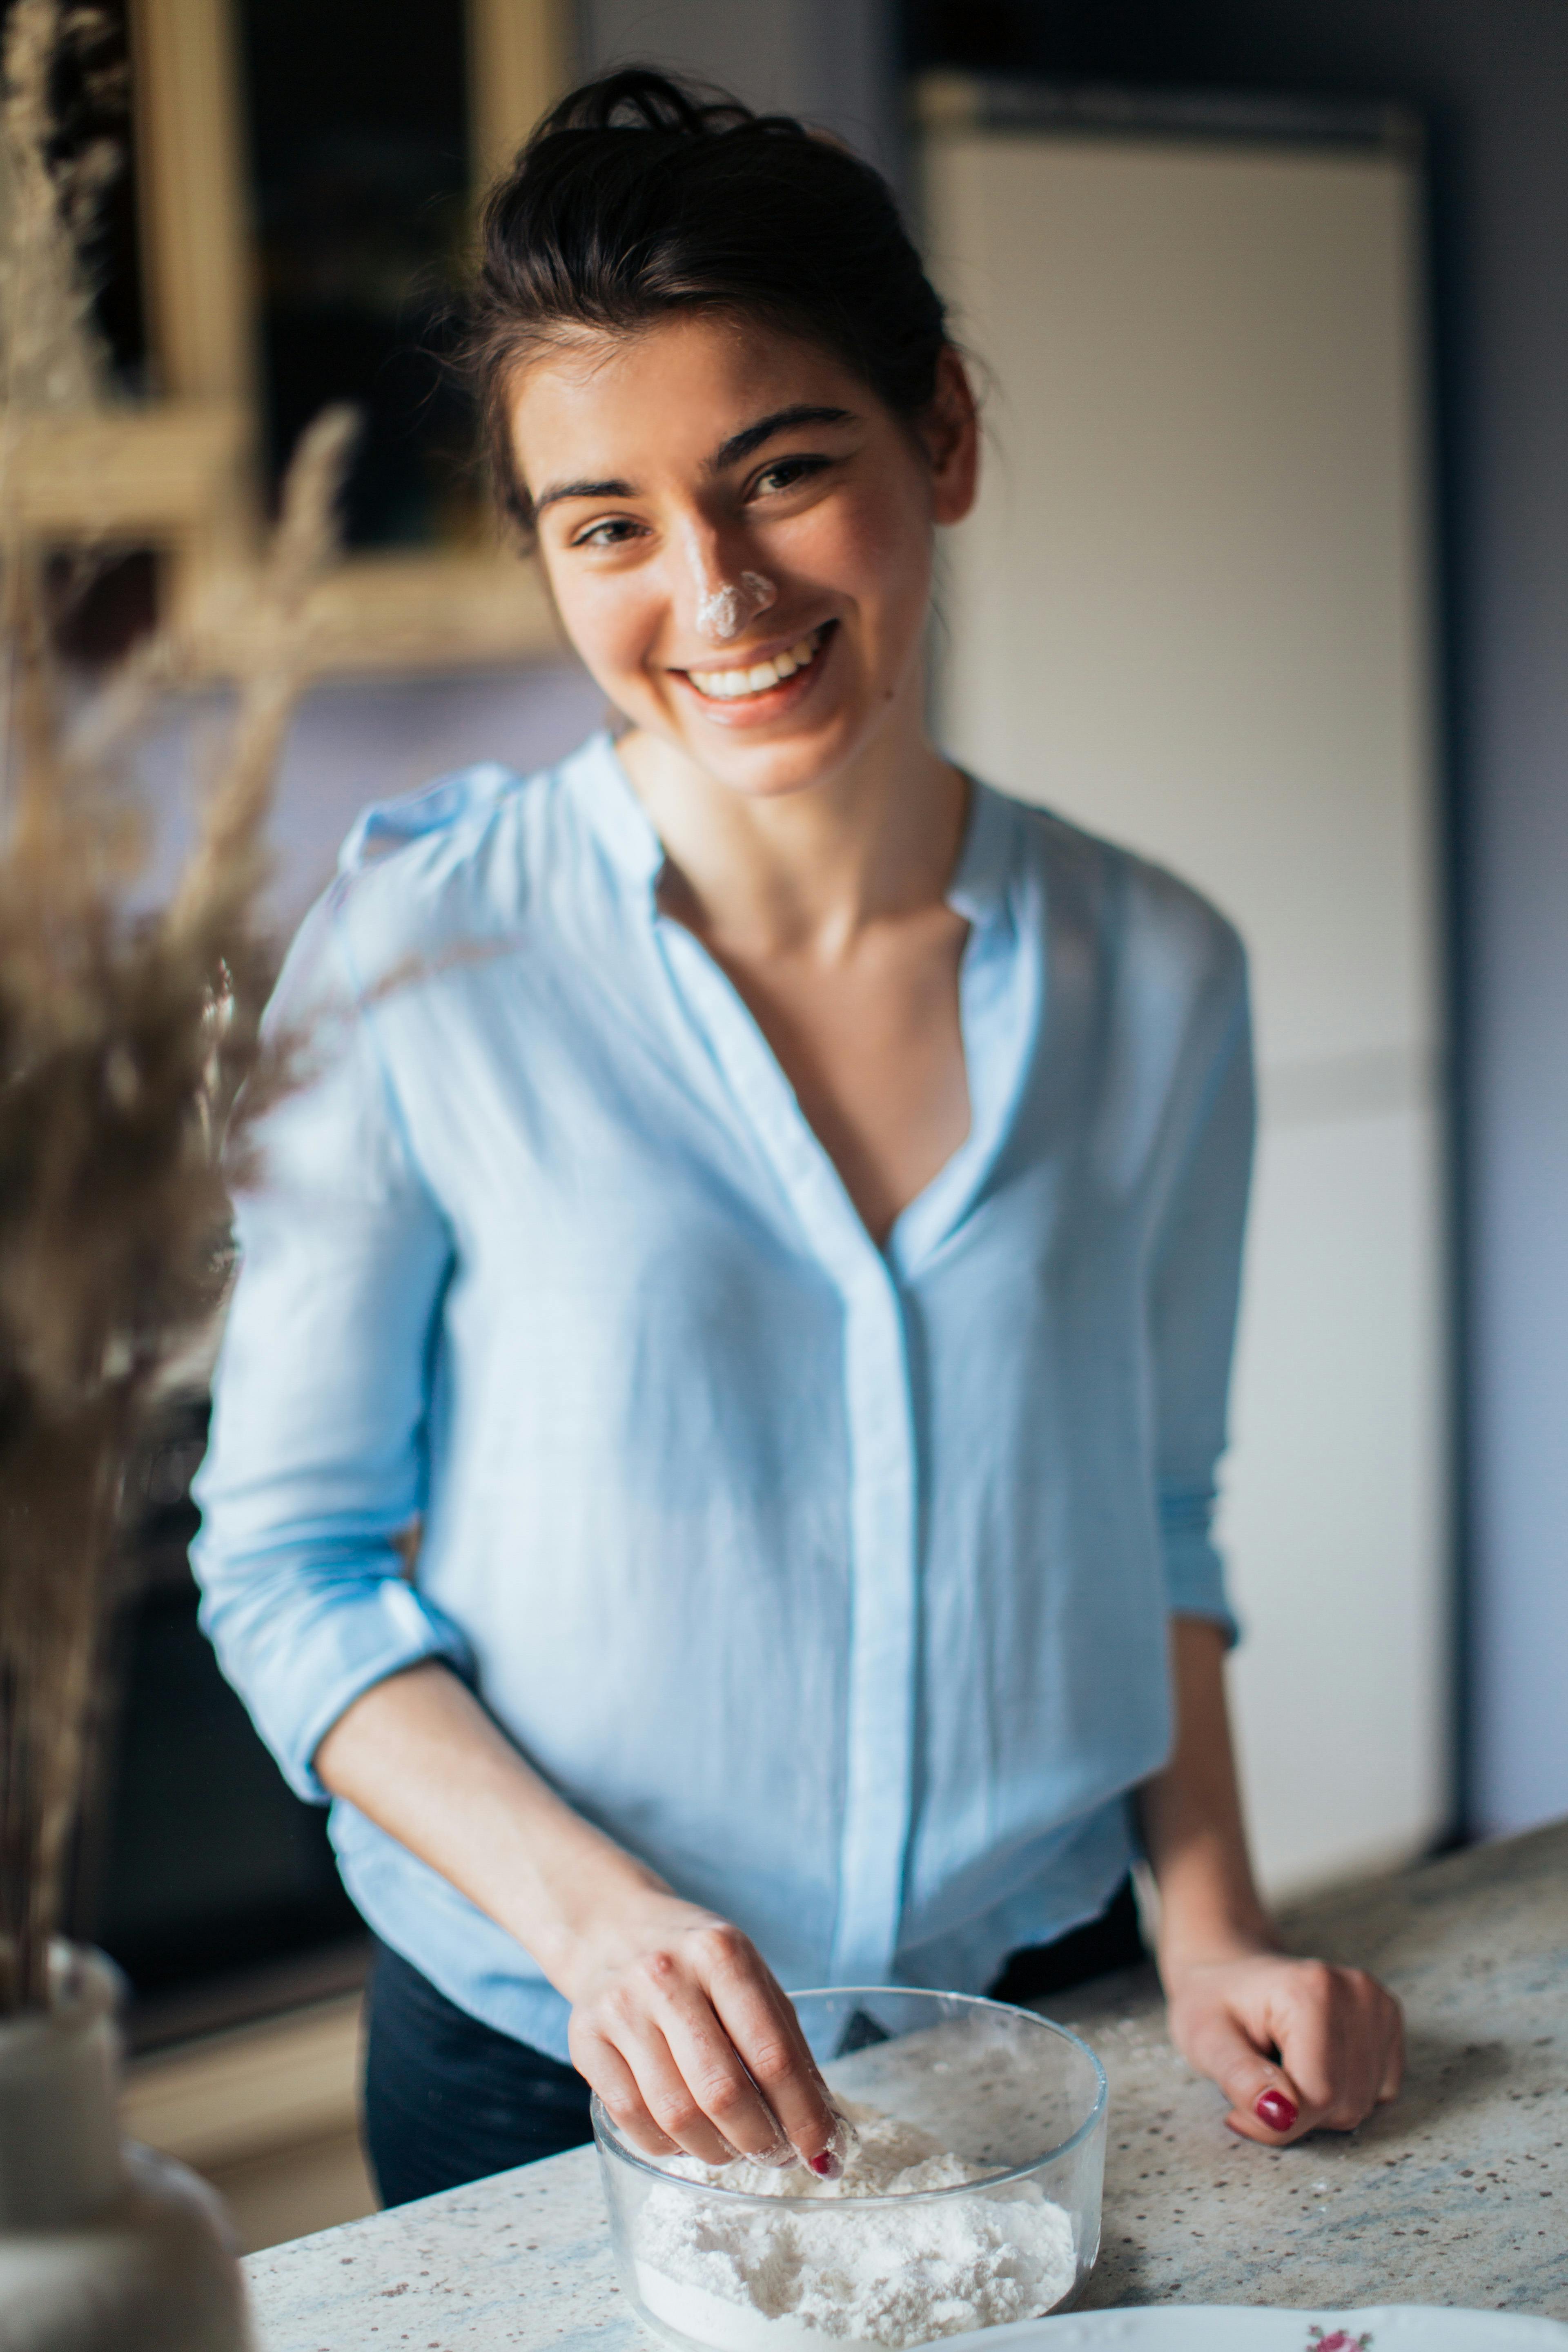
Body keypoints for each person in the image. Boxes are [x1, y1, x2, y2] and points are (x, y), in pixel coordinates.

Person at [192, 68, 1403, 2210]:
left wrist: (1212, 1926)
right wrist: (595, 1922)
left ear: (938, 439)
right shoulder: (414, 959)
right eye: (613, 527)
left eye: (782, 473)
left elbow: (1161, 1520)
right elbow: (286, 1569)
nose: (718, 590)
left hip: (1048, 2013)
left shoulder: (1163, 975)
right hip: (549, 2051)